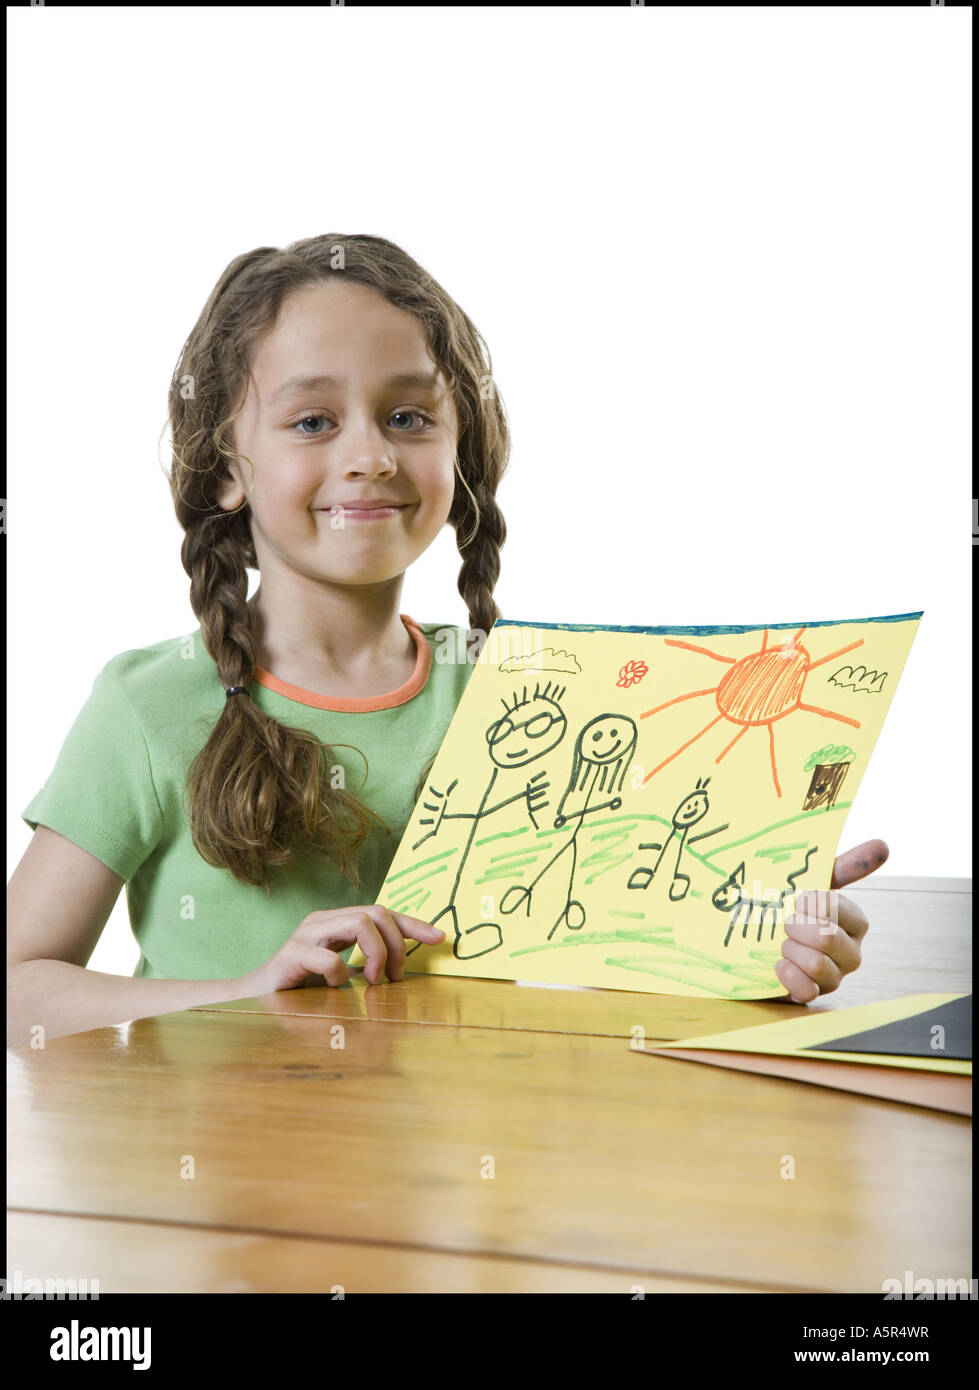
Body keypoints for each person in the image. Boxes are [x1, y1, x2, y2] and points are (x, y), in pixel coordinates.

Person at [6, 233, 887, 1045]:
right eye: (313, 421)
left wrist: (758, 933)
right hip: (222, 1193)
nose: (372, 456)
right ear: (229, 467)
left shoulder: (523, 697)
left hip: (451, 1186)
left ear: (460, 450)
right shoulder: (148, 706)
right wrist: (247, 990)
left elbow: (623, 945)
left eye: (407, 417)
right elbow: (17, 989)